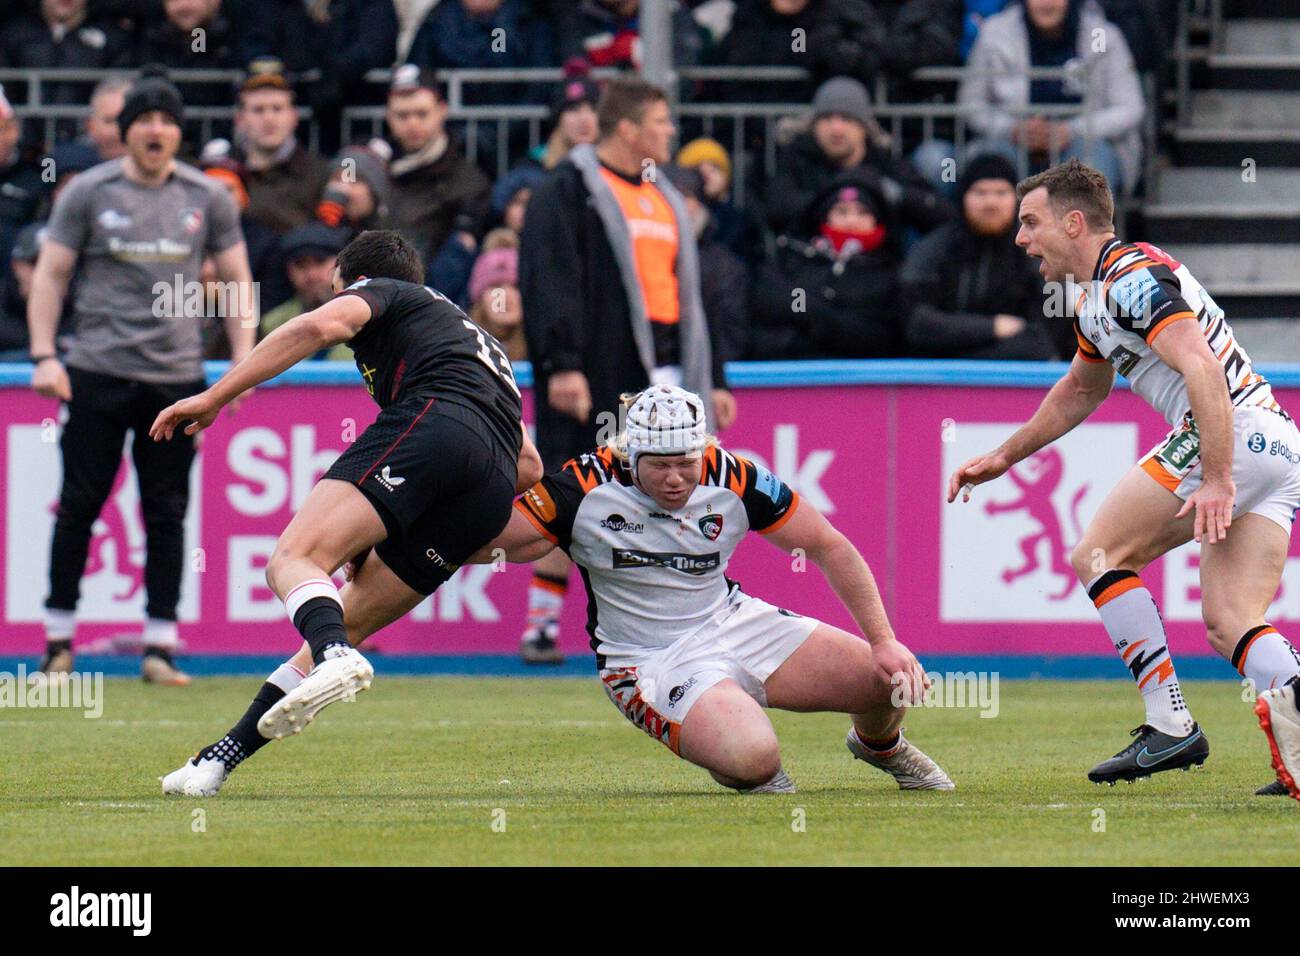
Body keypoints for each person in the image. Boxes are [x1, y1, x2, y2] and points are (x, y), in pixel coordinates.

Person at [161, 384, 952, 797]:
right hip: (647, 660)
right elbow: (486, 542)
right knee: (754, 759)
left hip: (734, 620)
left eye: (688, 463)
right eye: (659, 466)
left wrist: (886, 638)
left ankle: (876, 747)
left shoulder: (735, 476)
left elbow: (833, 547)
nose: (677, 479)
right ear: (627, 453)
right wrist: (376, 546)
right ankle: (739, 750)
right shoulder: (582, 487)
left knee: (884, 678)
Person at [946, 160, 1300, 797]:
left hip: (1230, 431)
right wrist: (1004, 456)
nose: (1021, 239)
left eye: (1031, 223)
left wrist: (1217, 476)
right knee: (1230, 621)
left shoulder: (1129, 279)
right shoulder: (1100, 295)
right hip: (1274, 440)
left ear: (1073, 222)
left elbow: (1202, 369)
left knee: (1100, 553)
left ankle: (1170, 724)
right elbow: (1081, 390)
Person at [157, 229, 541, 796]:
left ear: (349, 278)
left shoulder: (379, 291)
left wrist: (215, 397)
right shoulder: (476, 340)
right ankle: (218, 760)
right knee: (342, 619)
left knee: (293, 559)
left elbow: (316, 327)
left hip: (436, 423)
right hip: (490, 480)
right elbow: (528, 465)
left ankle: (335, 654)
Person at [28, 70, 256, 684]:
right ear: (125, 132)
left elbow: (238, 279)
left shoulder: (206, 196)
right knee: (79, 505)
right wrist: (45, 354)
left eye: (166, 121)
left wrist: (242, 364)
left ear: (178, 132)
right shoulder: (86, 192)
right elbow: (50, 274)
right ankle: (57, 644)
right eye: (143, 121)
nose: (156, 131)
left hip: (174, 380)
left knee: (166, 511)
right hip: (97, 373)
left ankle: (160, 645)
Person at [519, 76, 737, 665]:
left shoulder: (664, 194)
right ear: (629, 128)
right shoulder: (567, 192)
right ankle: (542, 626)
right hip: (598, 368)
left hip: (670, 371)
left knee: (671, 498)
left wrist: (713, 375)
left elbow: (695, 295)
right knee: (575, 491)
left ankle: (669, 626)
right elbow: (549, 281)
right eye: (662, 122)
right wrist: (562, 363)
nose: (671, 134)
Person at [956, 0, 1144, 195]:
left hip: (1085, 142)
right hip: (1011, 143)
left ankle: (1077, 224)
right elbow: (970, 103)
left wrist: (1070, 131)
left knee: (1089, 164)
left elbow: (1130, 108)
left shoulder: (1104, 35)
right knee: (992, 162)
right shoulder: (994, 32)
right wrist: (1012, 130)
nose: (1046, 2)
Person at [901, 153, 1057, 359]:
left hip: (1011, 377)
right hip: (937, 378)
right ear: (963, 198)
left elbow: (1044, 339)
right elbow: (916, 323)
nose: (990, 202)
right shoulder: (932, 250)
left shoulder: (1037, 254)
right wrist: (993, 327)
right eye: (980, 192)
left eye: (1001, 193)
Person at [765, 76, 952, 240]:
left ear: (864, 127)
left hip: (879, 266)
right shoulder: (798, 156)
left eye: (846, 119)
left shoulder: (884, 160)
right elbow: (777, 209)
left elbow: (938, 213)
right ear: (813, 126)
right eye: (827, 119)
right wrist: (834, 200)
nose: (836, 128)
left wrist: (895, 196)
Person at [750, 176, 901, 359]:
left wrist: (815, 317)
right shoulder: (794, 257)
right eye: (842, 212)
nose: (852, 220)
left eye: (862, 212)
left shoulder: (889, 272)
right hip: (792, 370)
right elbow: (769, 303)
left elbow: (878, 336)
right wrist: (819, 317)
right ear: (825, 217)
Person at [384, 65, 492, 266]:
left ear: (442, 111)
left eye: (422, 114)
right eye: (402, 115)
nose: (412, 124)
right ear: (389, 116)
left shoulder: (468, 181)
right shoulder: (374, 168)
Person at [233, 70, 330, 236]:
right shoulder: (225, 172)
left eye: (277, 109)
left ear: (294, 117)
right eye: (258, 110)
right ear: (240, 120)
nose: (269, 119)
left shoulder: (320, 173)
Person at [259, 223, 353, 360]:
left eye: (320, 261)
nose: (312, 275)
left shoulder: (369, 316)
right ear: (288, 270)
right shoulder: (273, 323)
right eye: (300, 265)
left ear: (340, 264)